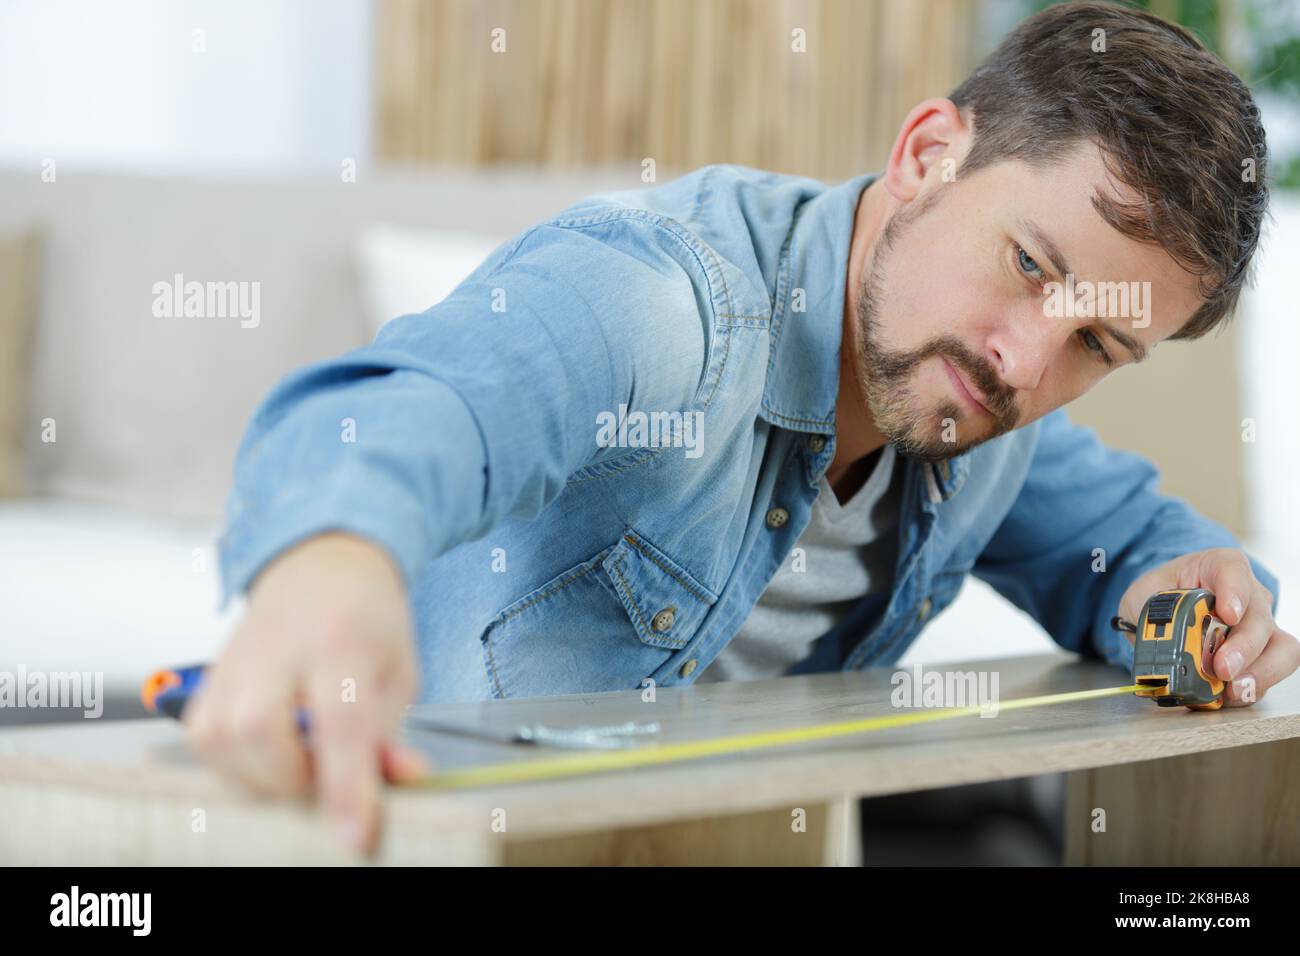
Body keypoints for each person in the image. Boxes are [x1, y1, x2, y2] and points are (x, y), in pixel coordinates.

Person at [185, 1, 1296, 853]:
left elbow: (1132, 545)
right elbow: (400, 410)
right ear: (925, 156)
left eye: (1097, 345)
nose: (1023, 360)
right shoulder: (663, 306)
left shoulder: (983, 413)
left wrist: (1188, 593)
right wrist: (334, 562)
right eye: (1027, 266)